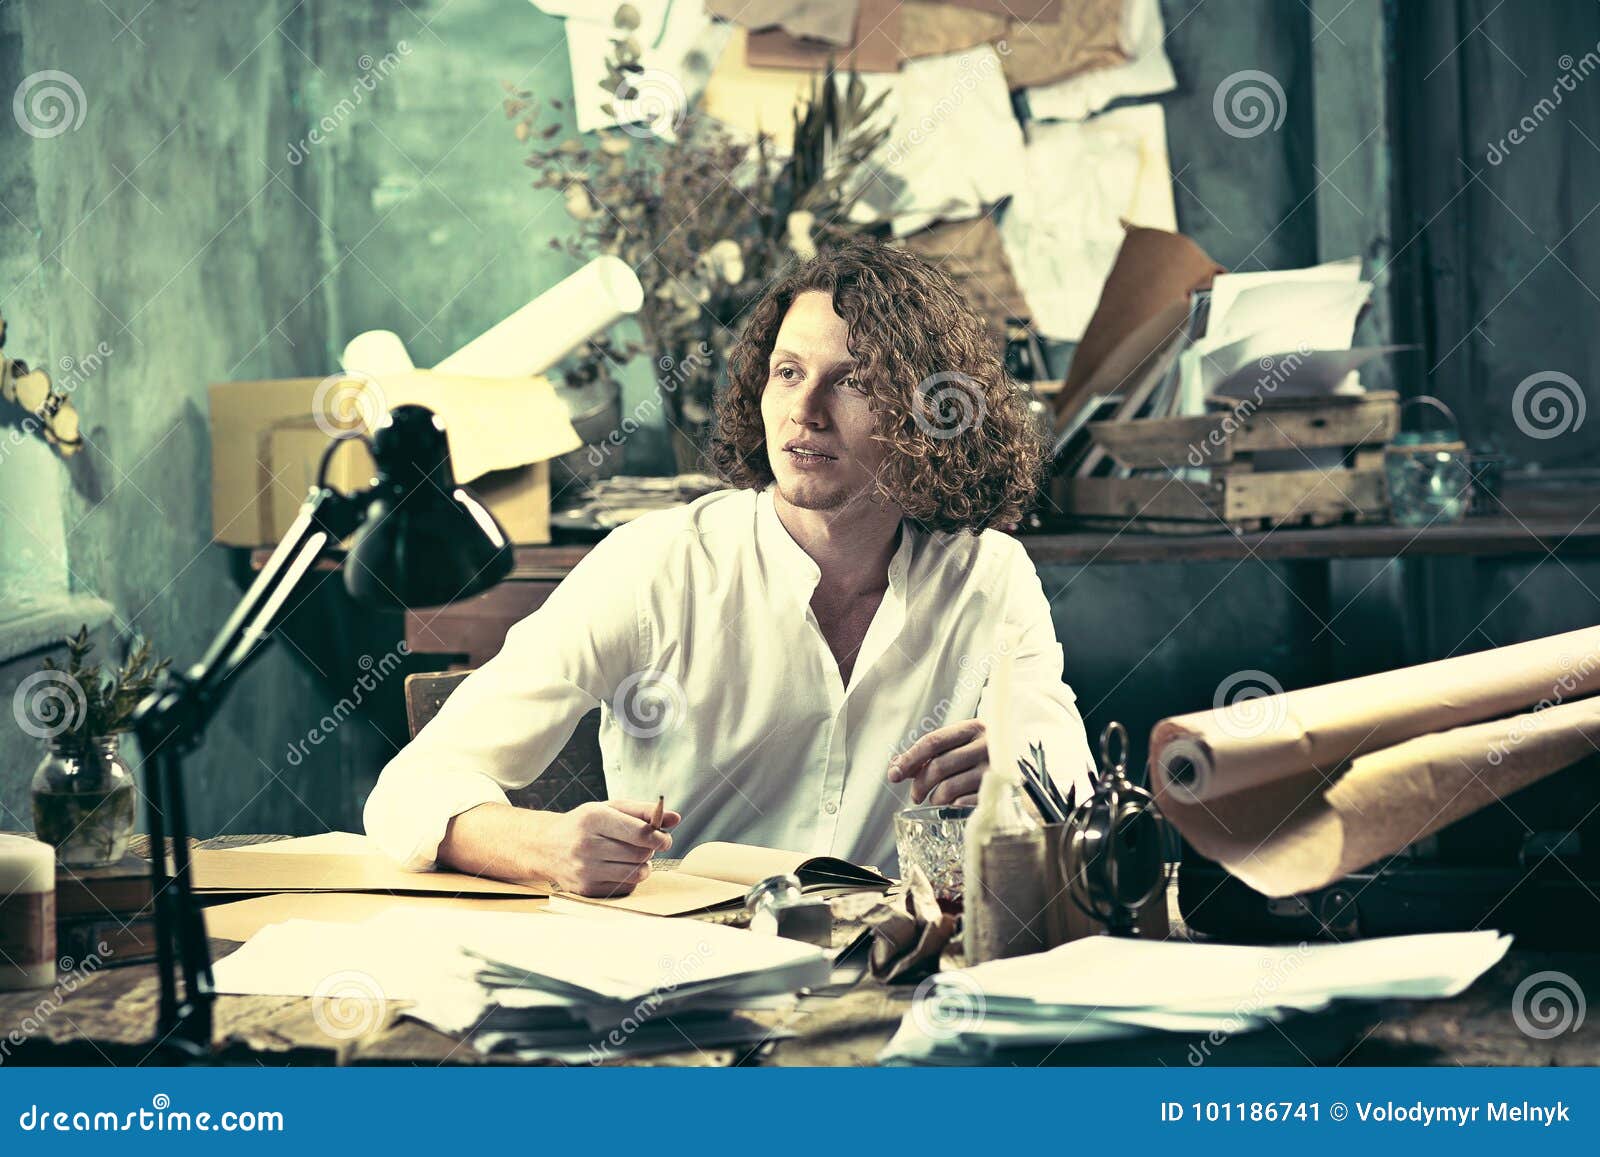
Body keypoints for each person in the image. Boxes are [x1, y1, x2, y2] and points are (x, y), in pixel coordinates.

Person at [364, 238, 1094, 895]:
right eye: (788, 371)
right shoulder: (656, 566)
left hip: (889, 975)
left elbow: (1070, 775)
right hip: (680, 983)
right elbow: (407, 791)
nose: (805, 410)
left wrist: (1024, 774)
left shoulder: (987, 574)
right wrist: (546, 846)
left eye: (854, 380)